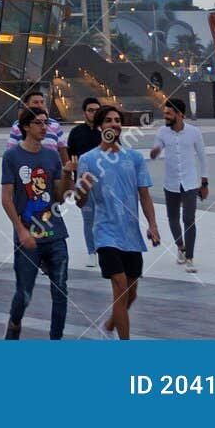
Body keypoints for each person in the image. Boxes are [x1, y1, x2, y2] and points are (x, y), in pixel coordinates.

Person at [76, 104, 160, 340]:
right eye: (109, 120)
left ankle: (111, 322)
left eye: (117, 120)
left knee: (130, 295)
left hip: (131, 235)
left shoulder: (133, 158)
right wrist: (82, 186)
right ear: (100, 126)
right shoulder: (88, 159)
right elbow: (81, 202)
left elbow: (144, 195)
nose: (114, 124)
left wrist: (152, 226)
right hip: (105, 233)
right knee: (121, 288)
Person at [0, 106, 73, 339]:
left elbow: (60, 197)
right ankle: (15, 322)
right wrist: (20, 230)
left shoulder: (51, 156)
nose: (45, 128)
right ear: (26, 127)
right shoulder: (12, 157)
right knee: (24, 294)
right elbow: (6, 198)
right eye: (39, 123)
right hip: (28, 237)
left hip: (55, 234)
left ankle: (56, 339)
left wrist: (68, 174)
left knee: (60, 289)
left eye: (46, 123)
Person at [149, 96, 208, 272]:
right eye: (164, 113)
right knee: (173, 219)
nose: (165, 116)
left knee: (189, 219)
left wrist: (204, 182)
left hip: (190, 183)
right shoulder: (162, 132)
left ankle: (189, 257)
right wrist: (155, 152)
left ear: (179, 115)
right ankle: (180, 246)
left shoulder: (194, 132)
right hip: (171, 183)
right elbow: (156, 148)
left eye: (169, 113)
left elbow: (203, 157)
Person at [65, 97, 103, 270]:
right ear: (84, 112)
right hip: (83, 185)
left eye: (97, 110)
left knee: (105, 218)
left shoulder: (106, 131)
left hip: (104, 183)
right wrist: (72, 181)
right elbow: (70, 158)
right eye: (90, 110)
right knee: (88, 219)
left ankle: (105, 250)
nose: (94, 113)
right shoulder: (76, 132)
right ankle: (91, 252)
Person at [7, 87, 64, 152]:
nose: (40, 105)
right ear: (26, 105)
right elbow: (10, 151)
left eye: (42, 102)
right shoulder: (17, 125)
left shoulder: (55, 124)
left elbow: (62, 149)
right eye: (35, 102)